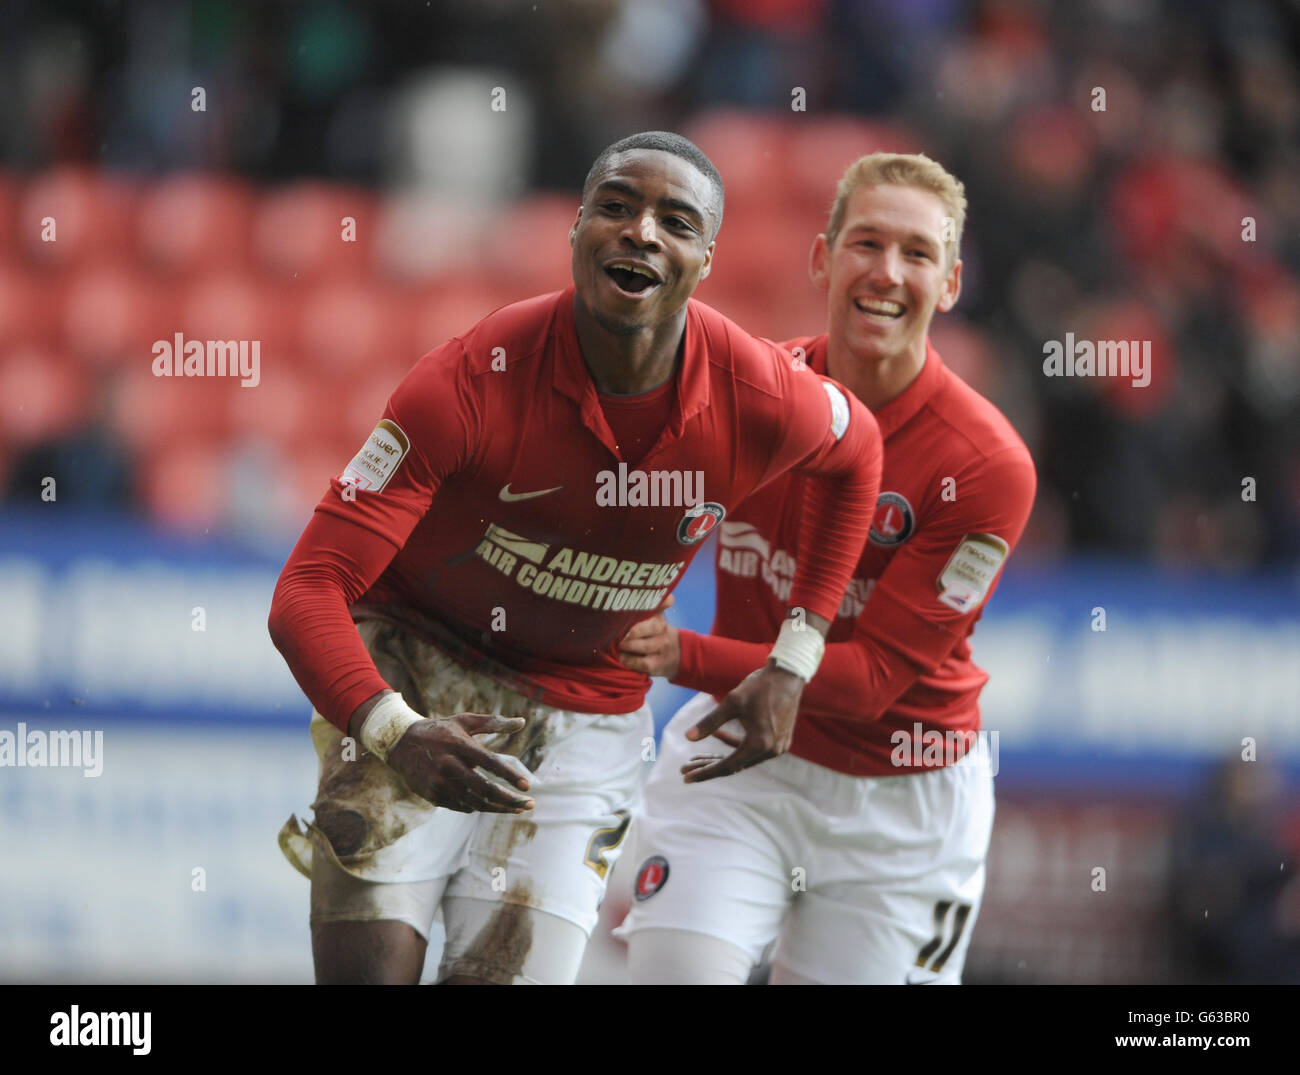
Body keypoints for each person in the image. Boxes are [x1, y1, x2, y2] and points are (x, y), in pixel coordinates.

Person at [267, 131, 884, 985]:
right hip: (414, 670)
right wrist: (391, 729)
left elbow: (861, 454)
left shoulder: (763, 396)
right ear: (576, 230)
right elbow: (305, 589)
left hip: (588, 717)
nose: (642, 233)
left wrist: (795, 657)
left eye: (675, 221)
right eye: (617, 206)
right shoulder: (465, 385)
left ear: (706, 259)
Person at [617, 152, 1037, 984]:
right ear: (822, 258)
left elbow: (873, 677)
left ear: (950, 283)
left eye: (917, 254)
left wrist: (678, 654)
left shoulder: (988, 464)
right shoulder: (745, 396)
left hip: (902, 802)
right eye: (867, 243)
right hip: (739, 765)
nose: (887, 272)